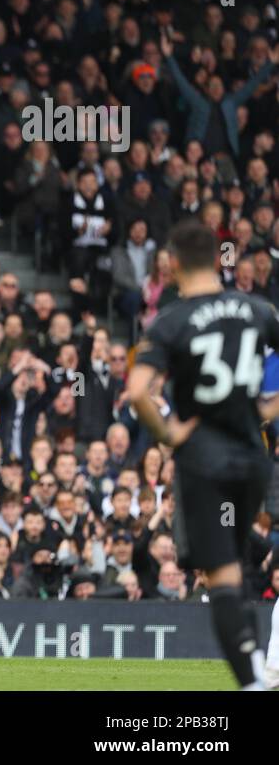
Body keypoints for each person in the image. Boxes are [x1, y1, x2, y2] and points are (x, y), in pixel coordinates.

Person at [127, 218, 279, 689]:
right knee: (239, 559)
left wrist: (169, 433)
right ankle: (261, 671)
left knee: (223, 577)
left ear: (171, 266)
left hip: (204, 461)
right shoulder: (258, 309)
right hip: (255, 460)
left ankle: (252, 680)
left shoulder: (170, 320)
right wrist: (267, 409)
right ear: (219, 259)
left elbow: (137, 393)